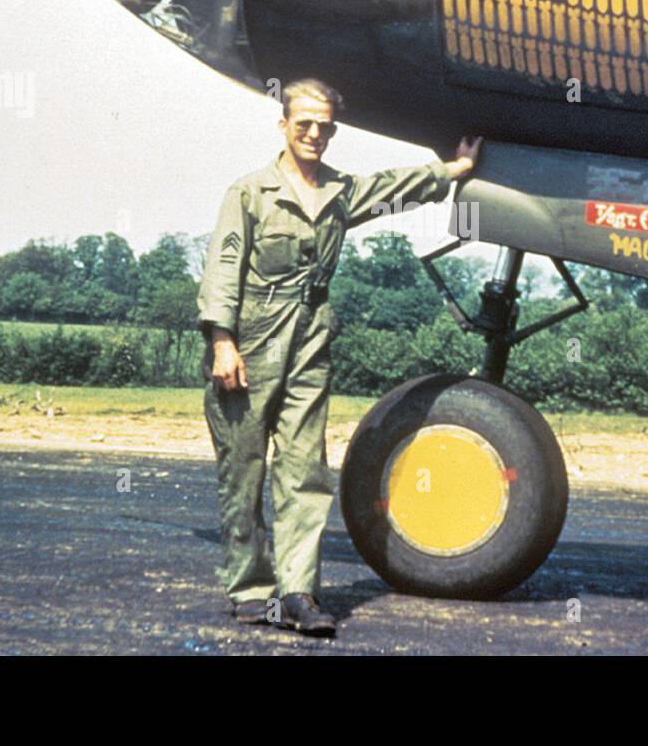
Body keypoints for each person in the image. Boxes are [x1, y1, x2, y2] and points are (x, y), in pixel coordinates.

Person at [197, 78, 482, 637]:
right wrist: (222, 341)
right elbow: (222, 269)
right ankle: (251, 591)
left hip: (310, 341)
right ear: (283, 125)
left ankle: (299, 592)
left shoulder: (338, 191)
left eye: (325, 125)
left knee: (305, 470)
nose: (314, 134)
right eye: (304, 123)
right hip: (251, 339)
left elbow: (390, 187)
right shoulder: (250, 193)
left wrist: (453, 171)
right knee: (243, 471)